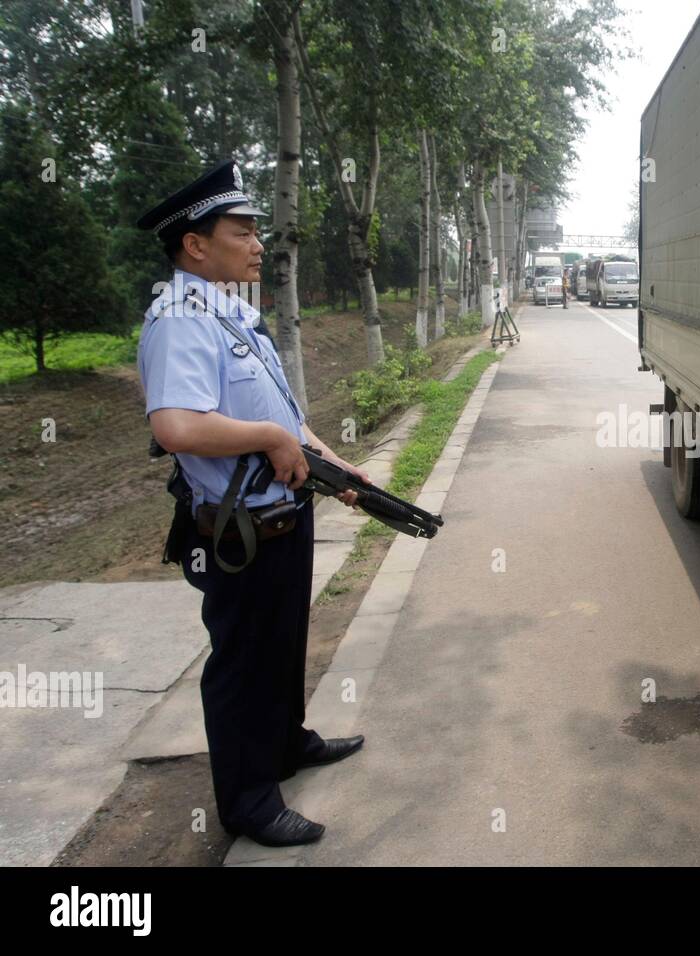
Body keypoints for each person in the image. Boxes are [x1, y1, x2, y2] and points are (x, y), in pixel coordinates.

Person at [136, 160, 367, 847]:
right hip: (235, 530)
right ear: (196, 245)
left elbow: (279, 408)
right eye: (242, 231)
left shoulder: (229, 309)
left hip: (282, 513)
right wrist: (269, 438)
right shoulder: (180, 318)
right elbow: (175, 425)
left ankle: (286, 744)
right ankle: (249, 802)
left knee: (283, 643)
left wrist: (323, 453)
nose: (258, 244)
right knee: (240, 666)